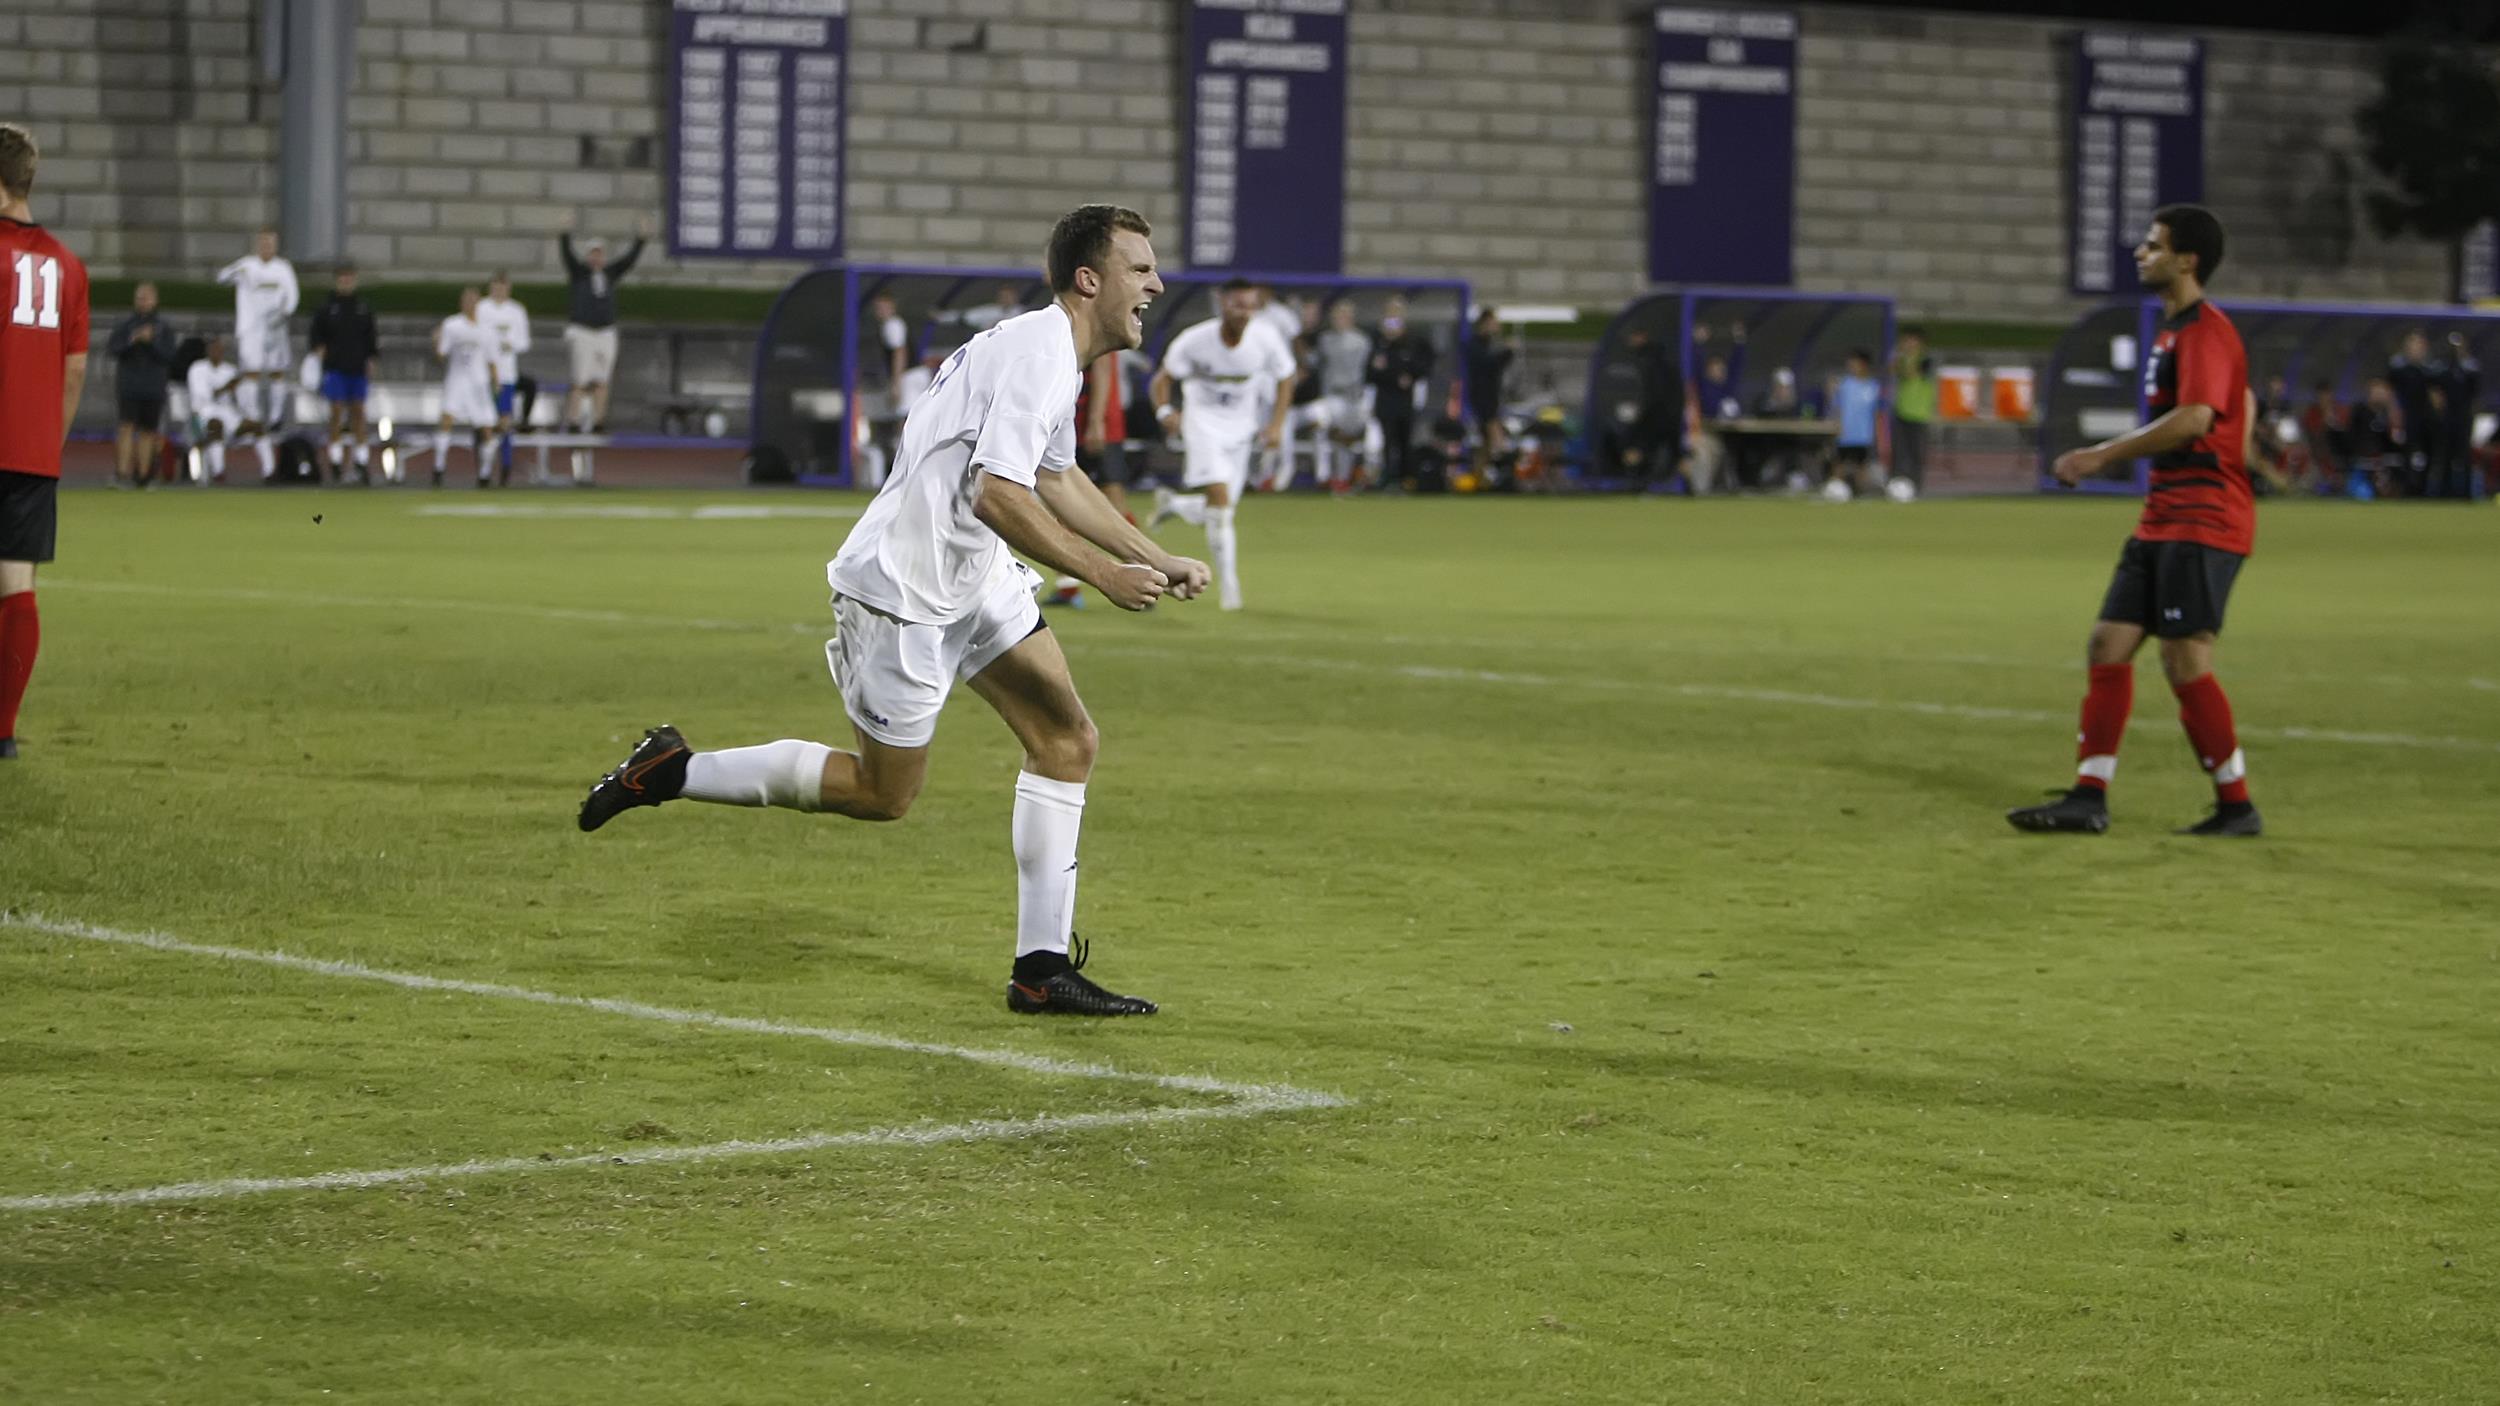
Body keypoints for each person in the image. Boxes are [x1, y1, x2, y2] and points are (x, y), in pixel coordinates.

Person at [576, 204, 1209, 1019]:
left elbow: (1056, 478)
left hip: (971, 578)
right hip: (904, 591)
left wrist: (1152, 557)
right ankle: (672, 770)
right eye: (1141, 268)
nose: (1156, 284)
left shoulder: (1050, 353)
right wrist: (1103, 577)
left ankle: (1040, 969)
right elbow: (996, 494)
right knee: (883, 795)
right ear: (1091, 280)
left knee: (1066, 740)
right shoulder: (1039, 354)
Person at [2010, 204, 2261, 838]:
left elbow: (2195, 418)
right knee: (2108, 644)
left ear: (2187, 260)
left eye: (2153, 245)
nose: (2140, 253)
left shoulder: (2206, 329)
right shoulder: (2178, 331)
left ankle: (2236, 805)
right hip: (2164, 517)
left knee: (2185, 659)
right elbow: (2240, 406)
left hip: (2202, 520)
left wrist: (2102, 455)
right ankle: (2088, 795)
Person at [0, 124, 90, 760]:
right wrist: (47, 441)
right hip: (33, 450)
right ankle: (2, 732)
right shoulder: (68, 265)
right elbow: (76, 368)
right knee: (16, 584)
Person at [1146, 277, 1296, 611]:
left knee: (1219, 510)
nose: (1244, 312)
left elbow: (1287, 376)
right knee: (1220, 501)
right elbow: (1162, 379)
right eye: (1237, 304)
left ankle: (1174, 505)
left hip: (1242, 431)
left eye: (1250, 305)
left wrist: (1276, 424)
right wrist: (1165, 411)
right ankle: (1230, 589)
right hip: (1202, 426)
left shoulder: (1266, 338)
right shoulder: (1195, 341)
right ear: (1222, 304)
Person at [215, 226, 297, 481]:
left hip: (274, 328)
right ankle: (252, 414)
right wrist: (235, 272)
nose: (266, 247)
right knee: (250, 372)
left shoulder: (283, 269)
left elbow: (293, 297)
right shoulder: (247, 265)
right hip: (250, 329)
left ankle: (273, 416)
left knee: (276, 372)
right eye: (263, 242)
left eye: (270, 243)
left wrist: (282, 314)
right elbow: (221, 278)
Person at [558, 217, 648, 433]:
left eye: (600, 253)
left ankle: (599, 421)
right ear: (589, 256)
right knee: (579, 379)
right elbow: (567, 255)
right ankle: (573, 420)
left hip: (605, 332)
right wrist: (565, 234)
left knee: (602, 379)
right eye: (593, 253)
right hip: (583, 330)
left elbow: (629, 261)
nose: (597, 257)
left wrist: (641, 240)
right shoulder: (580, 273)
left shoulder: (609, 274)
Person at [307, 263, 379, 485]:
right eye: (342, 278)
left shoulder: (362, 308)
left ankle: (361, 460)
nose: (346, 282)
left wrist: (371, 359)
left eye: (349, 278)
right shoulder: (327, 308)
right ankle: (336, 460)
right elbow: (316, 336)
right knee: (336, 413)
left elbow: (371, 338)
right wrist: (321, 352)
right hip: (336, 367)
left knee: (358, 414)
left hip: (356, 367)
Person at [107, 282, 175, 488]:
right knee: (126, 427)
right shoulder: (125, 325)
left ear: (155, 300)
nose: (143, 302)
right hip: (129, 383)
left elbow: (169, 355)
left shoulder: (163, 328)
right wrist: (133, 340)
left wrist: (151, 341)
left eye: (147, 298)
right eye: (140, 298)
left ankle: (144, 475)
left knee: (148, 431)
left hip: (153, 384)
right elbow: (113, 348)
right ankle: (122, 473)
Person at [431, 287, 500, 488]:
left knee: (487, 428)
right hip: (457, 381)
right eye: (466, 300)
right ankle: (438, 468)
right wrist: (436, 341)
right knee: (446, 420)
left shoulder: (487, 330)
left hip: (479, 384)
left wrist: (496, 381)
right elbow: (441, 354)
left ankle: (485, 474)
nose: (469, 303)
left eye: (473, 300)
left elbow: (492, 359)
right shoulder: (452, 325)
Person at [1366, 298, 1434, 490]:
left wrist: (1407, 375)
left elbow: (1420, 367)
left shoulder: (1412, 342)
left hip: (1405, 401)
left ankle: (1407, 479)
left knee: (1404, 440)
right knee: (1386, 441)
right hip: (1385, 401)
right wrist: (1393, 375)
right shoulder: (1378, 343)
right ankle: (1388, 478)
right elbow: (1372, 372)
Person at [1311, 299, 1375, 494]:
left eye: (1344, 315)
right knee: (1320, 429)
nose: (1340, 319)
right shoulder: (1325, 340)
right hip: (1331, 395)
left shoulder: (1361, 341)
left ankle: (1342, 478)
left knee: (1345, 439)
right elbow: (1315, 363)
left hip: (1353, 397)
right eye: (1337, 315)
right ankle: (1322, 477)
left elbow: (1366, 370)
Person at [477, 270, 532, 481]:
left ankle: (506, 466)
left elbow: (525, 342)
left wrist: (511, 344)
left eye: (503, 285)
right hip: (483, 375)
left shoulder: (516, 311)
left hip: (506, 374)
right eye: (496, 285)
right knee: (485, 421)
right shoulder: (482, 308)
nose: (499, 289)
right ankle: (483, 467)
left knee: (505, 421)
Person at [1463, 307, 1516, 478]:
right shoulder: (1474, 345)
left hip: (1491, 395)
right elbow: (1488, 365)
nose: (1497, 327)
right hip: (1482, 396)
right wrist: (1508, 352)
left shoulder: (1487, 344)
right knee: (1493, 432)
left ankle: (1479, 474)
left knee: (1485, 439)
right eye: (1494, 323)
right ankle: (1503, 469)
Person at [185, 335, 243, 485]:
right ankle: (218, 471)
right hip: (202, 413)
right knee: (215, 425)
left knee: (257, 428)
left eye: (219, 349)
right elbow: (204, 396)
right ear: (208, 351)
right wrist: (226, 388)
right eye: (214, 349)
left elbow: (239, 398)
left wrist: (237, 390)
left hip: (228, 413)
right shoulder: (197, 368)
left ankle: (269, 473)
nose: (217, 352)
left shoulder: (230, 370)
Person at [1826, 349, 1883, 499]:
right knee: (1839, 464)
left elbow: (1877, 411)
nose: (1851, 367)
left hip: (1864, 434)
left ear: (1864, 365)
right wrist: (1837, 425)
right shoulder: (1844, 385)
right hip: (1846, 432)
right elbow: (1837, 407)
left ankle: (1860, 493)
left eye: (1854, 364)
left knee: (1861, 465)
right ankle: (1834, 491)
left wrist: (1878, 433)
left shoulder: (1873, 386)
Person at [1889, 326, 1936, 497]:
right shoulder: (1902, 359)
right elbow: (1892, 370)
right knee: (1899, 452)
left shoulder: (1926, 360)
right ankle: (1895, 485)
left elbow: (1911, 374)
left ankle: (1916, 487)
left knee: (1917, 453)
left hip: (1919, 414)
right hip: (1901, 411)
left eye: (1910, 340)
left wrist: (1904, 358)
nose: (1907, 344)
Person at [2436, 332, 2481, 499]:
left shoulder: (2470, 368)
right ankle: (2444, 492)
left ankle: (2466, 493)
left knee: (2464, 455)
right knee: (2446, 455)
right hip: (2447, 417)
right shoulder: (2443, 368)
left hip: (2463, 417)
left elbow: (2475, 394)